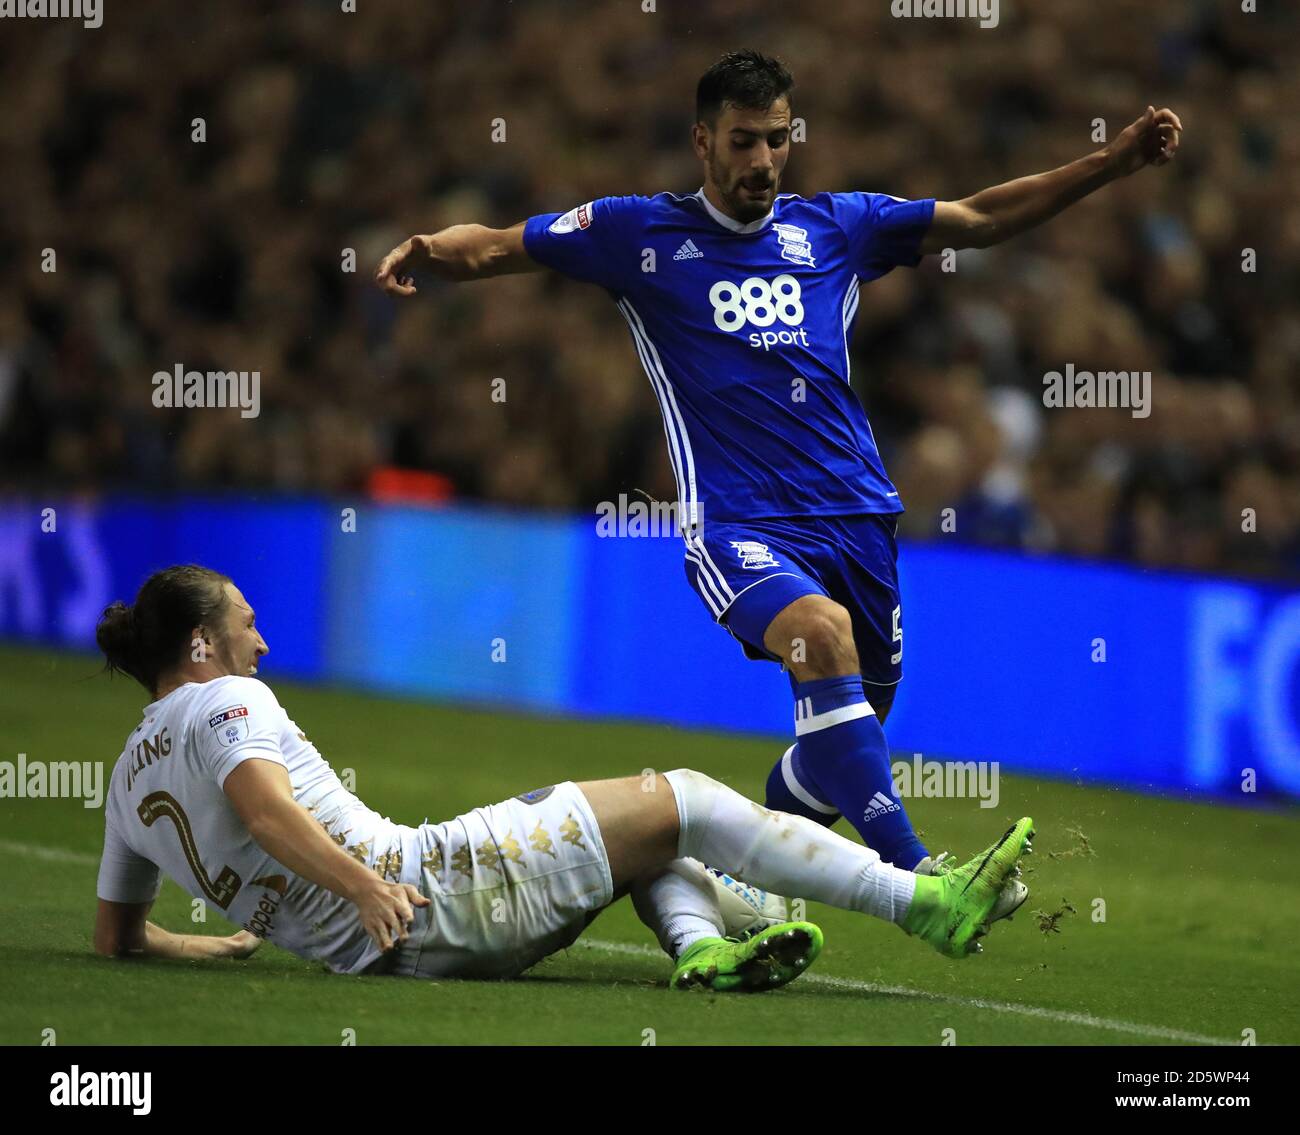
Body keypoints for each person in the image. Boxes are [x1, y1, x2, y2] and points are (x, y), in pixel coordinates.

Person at [373, 49, 1178, 873]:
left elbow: (979, 217)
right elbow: (500, 247)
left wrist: (1111, 163)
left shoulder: (839, 227)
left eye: (778, 140)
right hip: (741, 522)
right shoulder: (635, 233)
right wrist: (434, 250)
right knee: (823, 637)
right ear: (703, 141)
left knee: (843, 743)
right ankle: (922, 874)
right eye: (744, 141)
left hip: (859, 516)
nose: (762, 160)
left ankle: (728, 884)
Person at [92, 565, 1034, 992]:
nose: (262, 640)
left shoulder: (127, 785)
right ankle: (924, 901)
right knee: (691, 796)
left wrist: (210, 946)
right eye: (247, 623)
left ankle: (700, 949)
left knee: (651, 828)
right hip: (433, 888)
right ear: (203, 644)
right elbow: (264, 811)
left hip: (388, 942)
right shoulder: (225, 704)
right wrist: (367, 884)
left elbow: (117, 938)